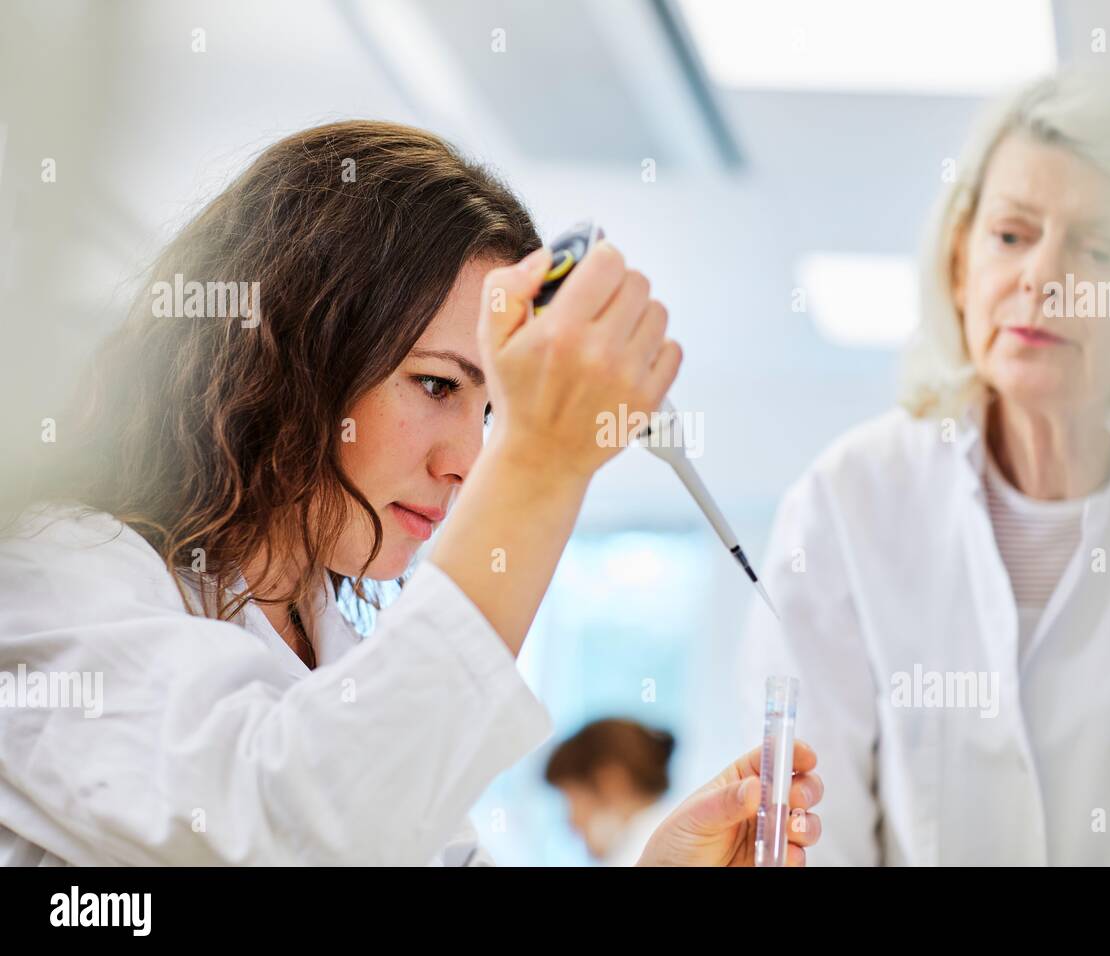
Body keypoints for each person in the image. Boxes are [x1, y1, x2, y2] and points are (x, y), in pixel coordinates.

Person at [0, 120, 822, 866]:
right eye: (436, 385)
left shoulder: (336, 654)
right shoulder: (57, 584)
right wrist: (540, 466)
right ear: (289, 354)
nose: (468, 461)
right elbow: (285, 824)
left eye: (493, 412)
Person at [742, 71, 1110, 865]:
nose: (1041, 276)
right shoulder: (847, 503)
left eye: (1099, 248)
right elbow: (807, 845)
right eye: (1011, 235)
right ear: (962, 264)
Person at [544, 718, 678, 866]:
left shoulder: (644, 854)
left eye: (571, 799)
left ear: (610, 782)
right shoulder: (671, 839)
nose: (572, 823)